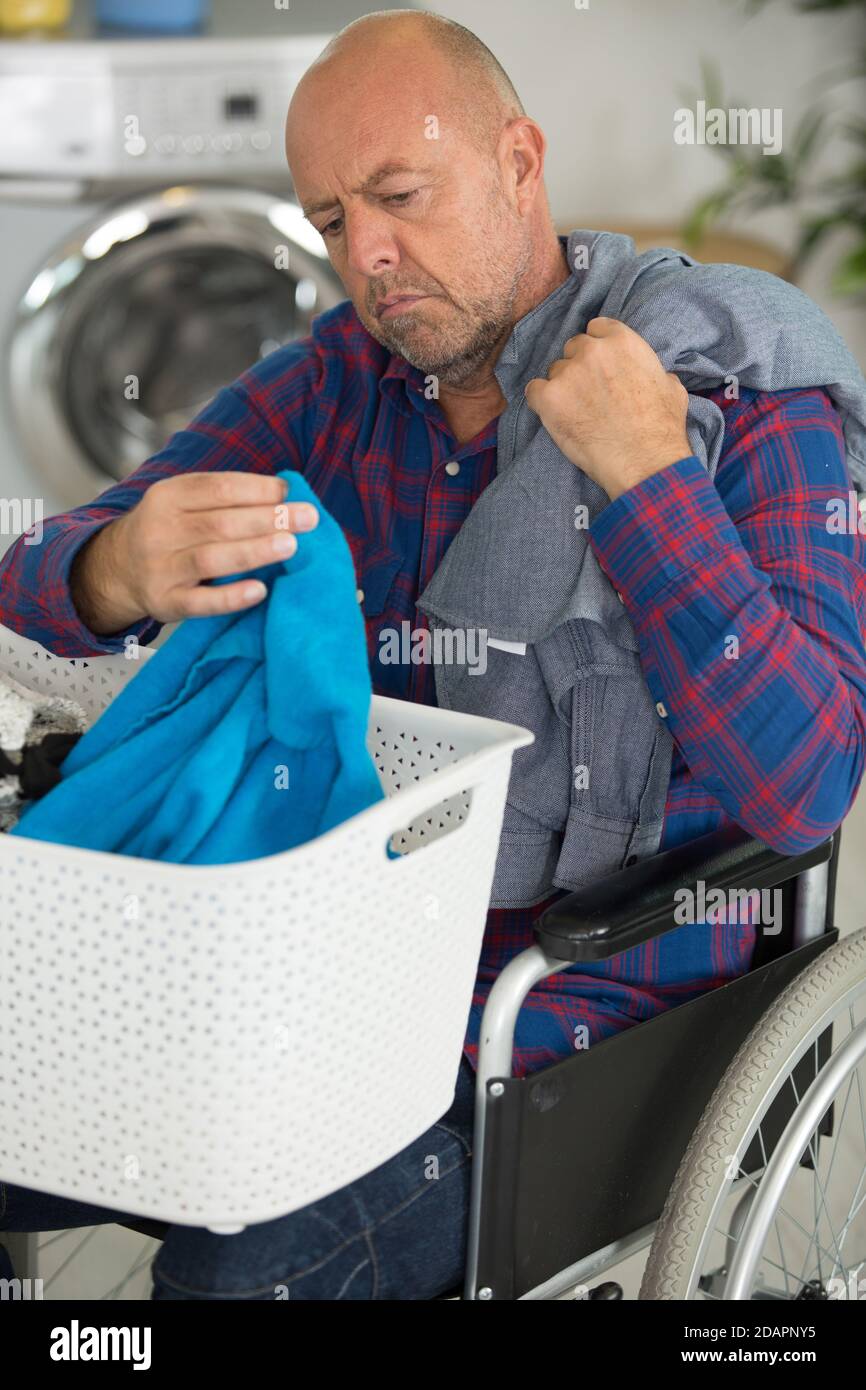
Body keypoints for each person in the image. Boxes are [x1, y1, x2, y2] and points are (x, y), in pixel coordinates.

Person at [1, 9, 865, 1300]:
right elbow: (49, 558)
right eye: (335, 221)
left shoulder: (734, 389)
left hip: (566, 1010)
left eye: (400, 195)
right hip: (320, 954)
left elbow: (806, 783)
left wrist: (642, 481)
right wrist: (109, 566)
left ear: (519, 160)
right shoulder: (337, 383)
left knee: (235, 1271)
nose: (372, 257)